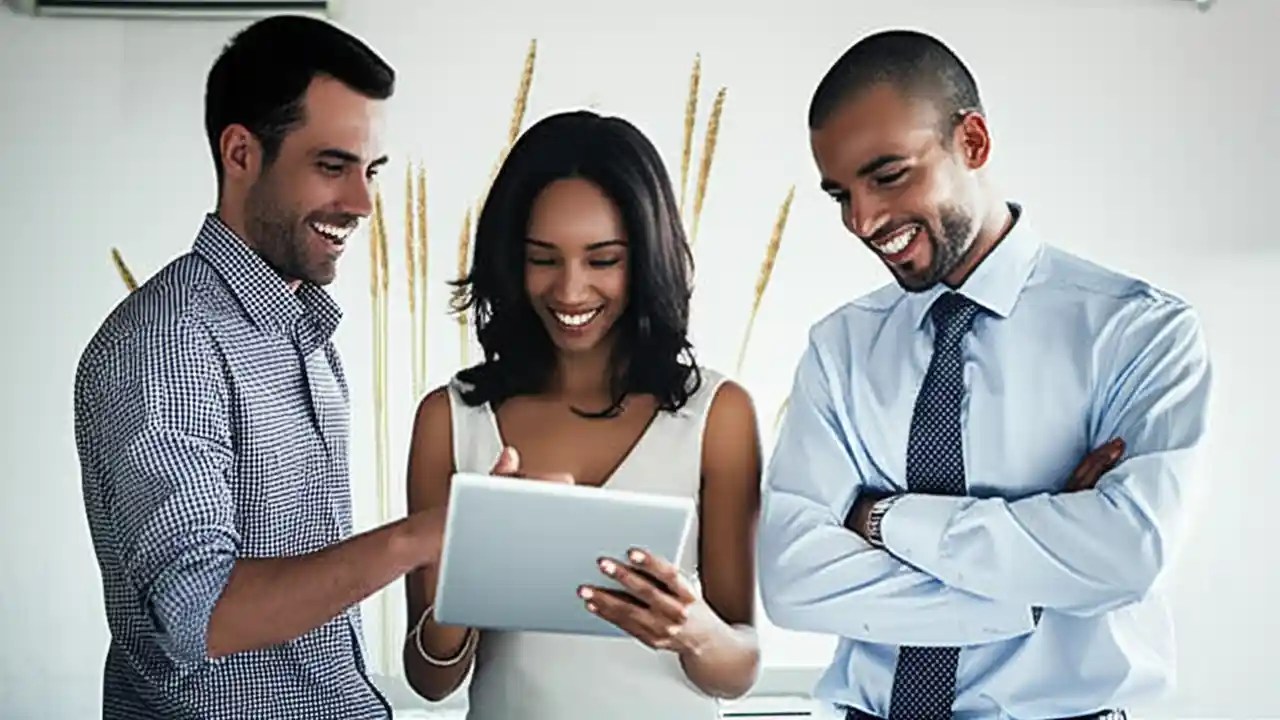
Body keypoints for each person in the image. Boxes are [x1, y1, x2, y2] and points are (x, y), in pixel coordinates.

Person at [757, 29, 1212, 720]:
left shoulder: (1138, 333)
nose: (863, 220)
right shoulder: (840, 347)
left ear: (971, 142)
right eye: (840, 194)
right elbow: (793, 581)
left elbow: (1127, 556)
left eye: (888, 176)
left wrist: (880, 519)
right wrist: (1038, 575)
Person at [73, 16, 445, 720]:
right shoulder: (169, 343)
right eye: (332, 167)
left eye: (370, 172)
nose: (363, 204)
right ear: (241, 153)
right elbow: (202, 612)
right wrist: (423, 535)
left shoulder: (303, 331)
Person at [400, 109, 763, 719]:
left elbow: (739, 668)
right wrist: (477, 567)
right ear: (509, 260)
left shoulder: (717, 416)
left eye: (602, 260)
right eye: (543, 258)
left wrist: (691, 629)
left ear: (647, 258)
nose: (570, 291)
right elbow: (431, 681)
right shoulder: (451, 420)